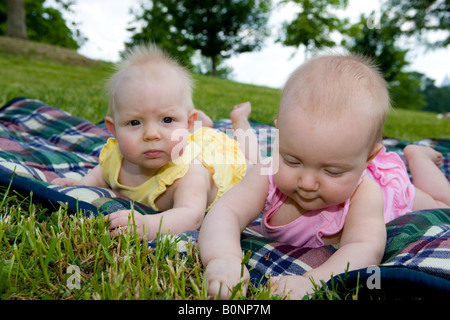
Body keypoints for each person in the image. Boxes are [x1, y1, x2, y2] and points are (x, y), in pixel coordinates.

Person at [198, 53, 450, 299]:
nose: (307, 183)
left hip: (394, 194)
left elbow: (363, 248)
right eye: (292, 160)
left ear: (367, 159)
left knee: (443, 203)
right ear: (279, 133)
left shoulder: (366, 192)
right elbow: (226, 211)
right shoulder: (267, 172)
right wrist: (223, 257)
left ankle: (417, 157)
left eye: (332, 171)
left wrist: (315, 280)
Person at [52, 44, 256, 240]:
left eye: (167, 119)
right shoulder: (117, 156)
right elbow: (102, 174)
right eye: (134, 122)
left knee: (253, 164)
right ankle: (198, 125)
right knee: (188, 135)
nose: (151, 134)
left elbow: (192, 216)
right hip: (183, 138)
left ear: (187, 123)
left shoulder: (188, 173)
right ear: (113, 129)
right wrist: (83, 184)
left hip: (218, 158)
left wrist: (149, 226)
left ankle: (239, 120)